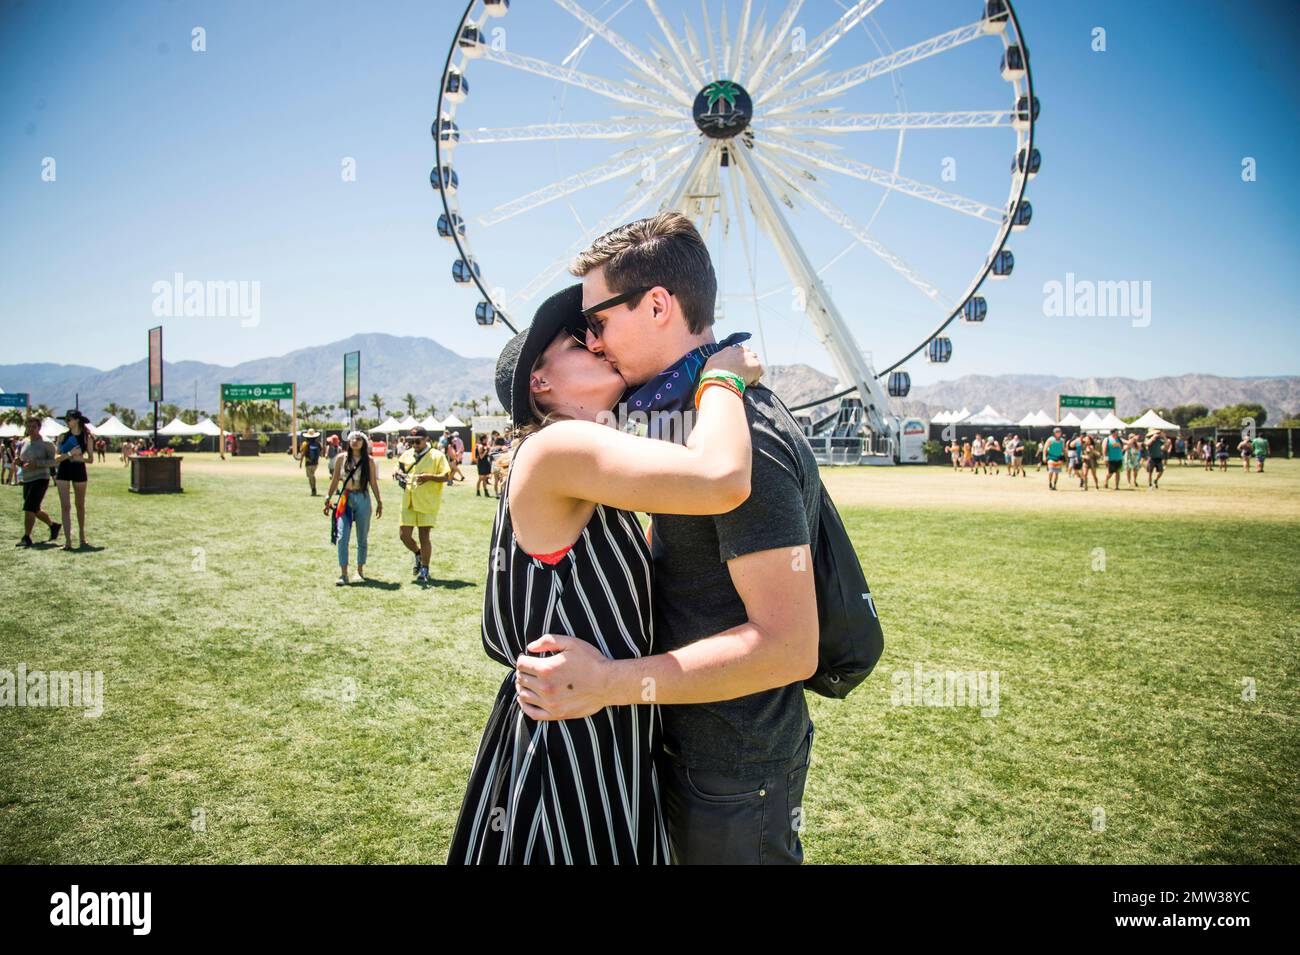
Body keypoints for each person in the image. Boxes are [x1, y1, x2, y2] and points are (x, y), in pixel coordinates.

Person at [517, 214, 822, 865]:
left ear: (657, 304)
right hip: (689, 750)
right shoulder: (686, 422)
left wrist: (610, 682)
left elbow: (789, 646)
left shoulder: (747, 434)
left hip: (732, 767)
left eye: (596, 322)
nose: (594, 343)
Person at [447, 283, 765, 865]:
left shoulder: (589, 472)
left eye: (597, 330)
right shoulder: (555, 449)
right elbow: (721, 477)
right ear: (539, 383)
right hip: (568, 741)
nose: (596, 340)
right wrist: (722, 379)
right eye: (577, 339)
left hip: (600, 725)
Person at [324, 431, 382, 585]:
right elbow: (335, 479)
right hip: (346, 498)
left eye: (359, 439)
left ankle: (359, 570)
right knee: (342, 537)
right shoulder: (341, 458)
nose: (355, 441)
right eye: (352, 439)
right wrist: (328, 497)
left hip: (363, 497)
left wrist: (379, 501)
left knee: (362, 537)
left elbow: (373, 483)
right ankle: (343, 574)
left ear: (364, 443)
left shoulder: (369, 461)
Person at [395, 425, 451, 584]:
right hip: (408, 501)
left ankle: (424, 569)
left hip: (427, 502)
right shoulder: (406, 455)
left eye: (418, 440)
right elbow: (397, 469)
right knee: (404, 535)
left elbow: (446, 476)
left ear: (426, 439)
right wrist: (398, 474)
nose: (415, 443)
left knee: (423, 536)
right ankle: (418, 554)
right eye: (412, 440)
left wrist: (429, 477)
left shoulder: (437, 456)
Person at [15, 418, 59, 547]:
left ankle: (27, 537)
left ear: (39, 428)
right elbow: (21, 458)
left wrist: (38, 464)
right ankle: (53, 526)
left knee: (29, 507)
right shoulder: (24, 442)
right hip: (27, 479)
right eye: (29, 426)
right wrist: (19, 462)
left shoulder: (47, 443)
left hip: (41, 479)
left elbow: (54, 461)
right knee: (34, 508)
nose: (31, 429)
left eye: (34, 427)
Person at [53, 409, 92, 549]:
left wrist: (79, 457)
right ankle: (68, 541)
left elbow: (91, 459)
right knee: (65, 506)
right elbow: (56, 458)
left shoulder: (88, 437)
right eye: (66, 420)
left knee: (80, 505)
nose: (67, 422)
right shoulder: (62, 437)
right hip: (63, 471)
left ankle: (82, 538)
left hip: (79, 470)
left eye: (69, 419)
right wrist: (70, 453)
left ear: (77, 420)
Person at [296, 429, 324, 496]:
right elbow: (321, 453)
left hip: (308, 463)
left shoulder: (305, 444)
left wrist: (300, 463)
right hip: (315, 463)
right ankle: (313, 488)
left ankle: (313, 489)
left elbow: (303, 454)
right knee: (312, 474)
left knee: (310, 476)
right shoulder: (318, 443)